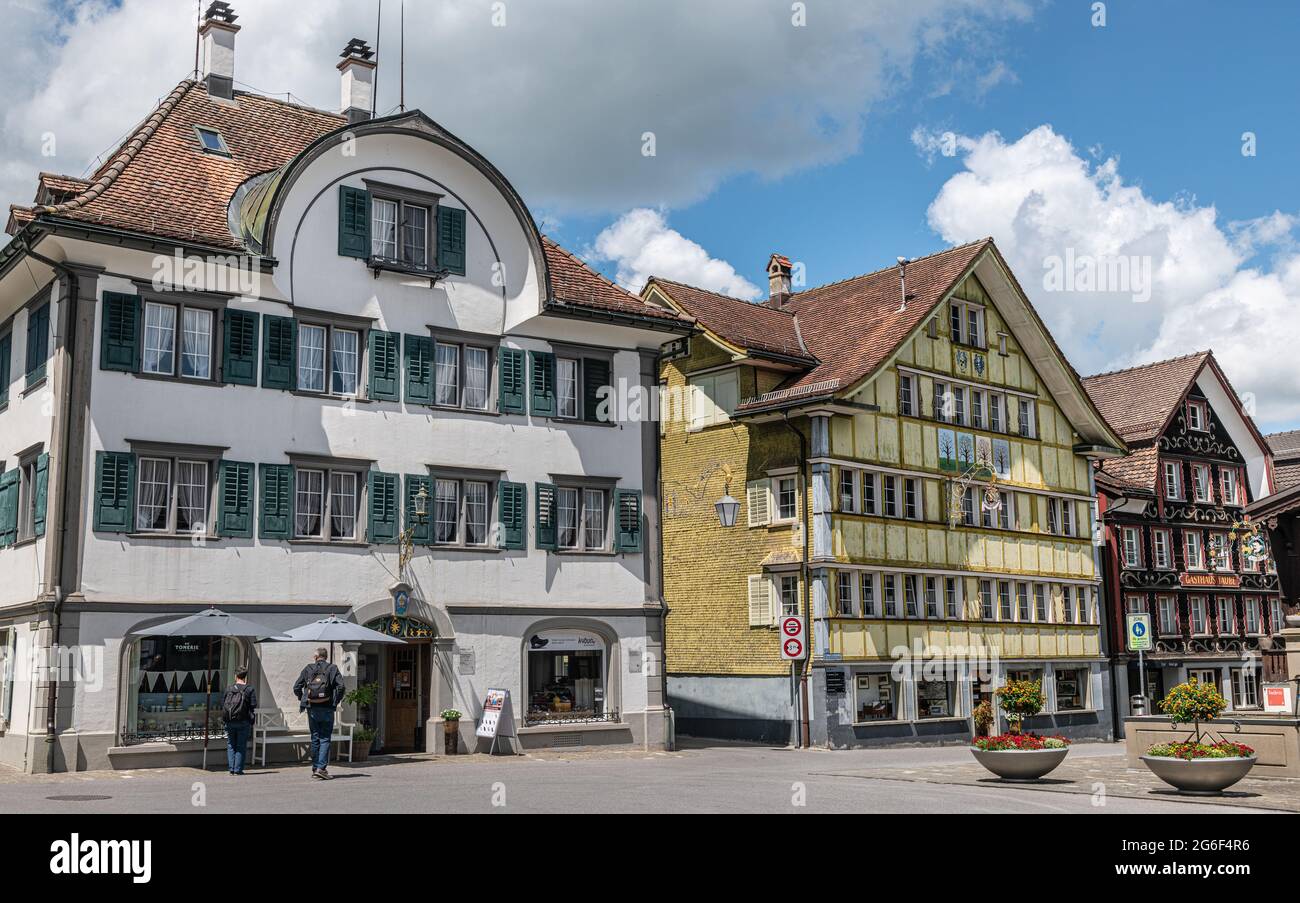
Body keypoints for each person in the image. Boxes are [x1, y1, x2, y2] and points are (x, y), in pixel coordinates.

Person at [293, 647, 345, 780]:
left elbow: (296, 687)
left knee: (315, 737)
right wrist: (335, 701)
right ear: (326, 657)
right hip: (327, 707)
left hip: (312, 708)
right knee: (325, 738)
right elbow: (341, 687)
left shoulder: (308, 668)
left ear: (315, 657)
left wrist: (304, 698)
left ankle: (316, 767)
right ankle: (322, 768)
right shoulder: (332, 668)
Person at [221, 667, 257, 775]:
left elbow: (222, 703)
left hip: (230, 720)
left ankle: (231, 768)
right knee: (241, 745)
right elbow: (254, 705)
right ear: (245, 676)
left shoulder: (229, 689)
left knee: (231, 744)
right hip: (243, 721)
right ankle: (238, 769)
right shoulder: (249, 689)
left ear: (235, 676)